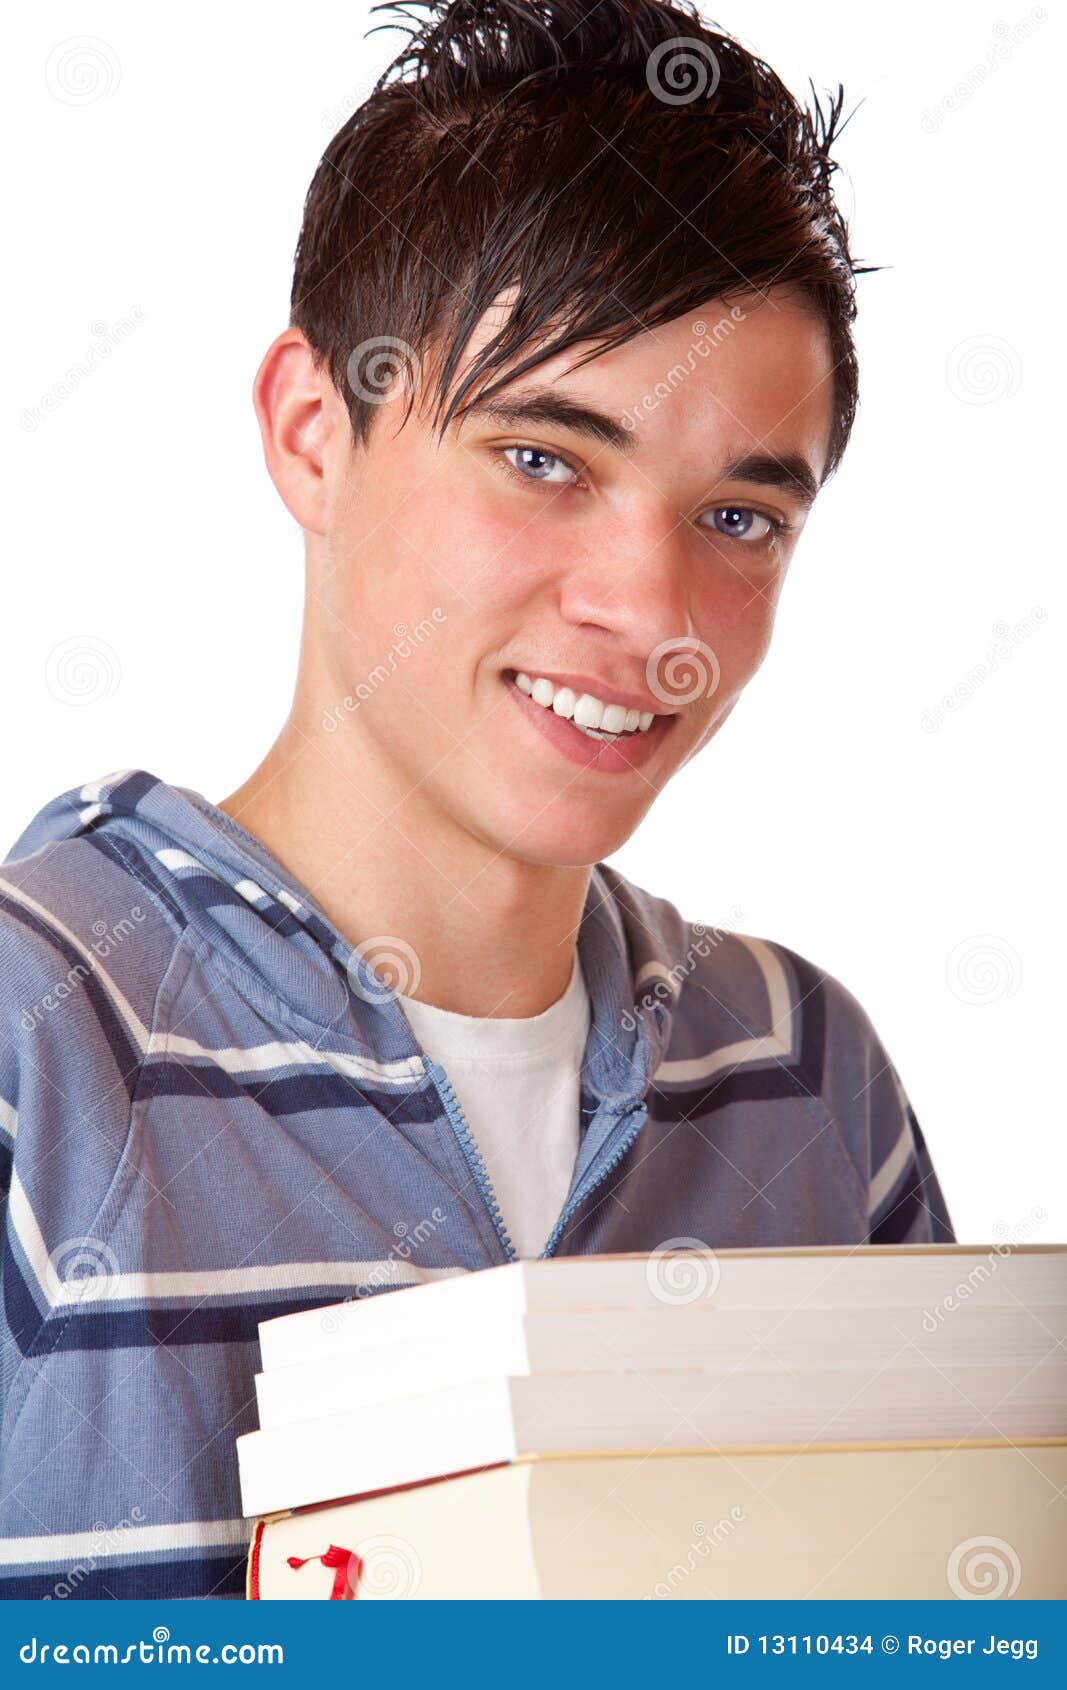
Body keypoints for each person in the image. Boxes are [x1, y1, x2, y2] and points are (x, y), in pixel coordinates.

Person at [0, 0, 952, 1600]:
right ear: (315, 430)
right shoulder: (35, 1048)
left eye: (736, 513)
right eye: (543, 460)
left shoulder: (811, 1086)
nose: (647, 608)